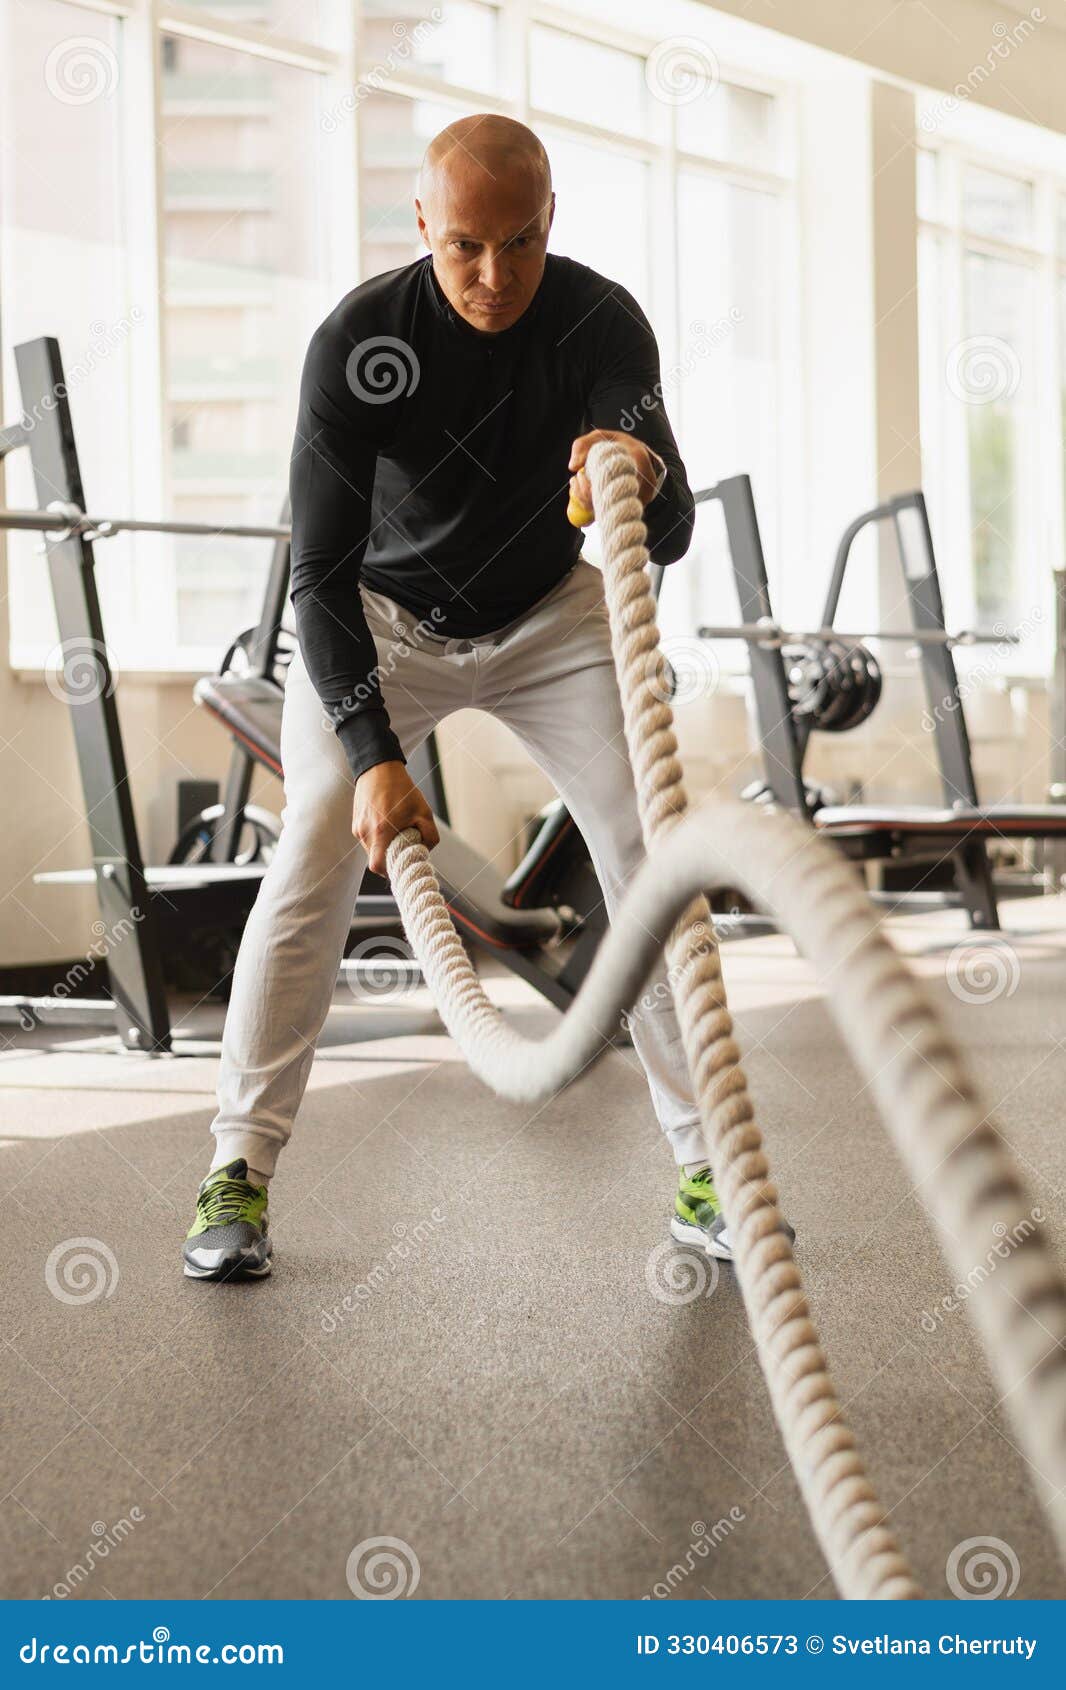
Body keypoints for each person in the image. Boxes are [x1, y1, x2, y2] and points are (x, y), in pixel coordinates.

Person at [183, 113, 732, 1280]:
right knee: (311, 860)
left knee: (650, 853)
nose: (496, 277)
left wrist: (640, 475)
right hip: (384, 620)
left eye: (521, 243)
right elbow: (319, 577)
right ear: (422, 224)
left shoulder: (598, 319)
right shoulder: (358, 342)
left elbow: (672, 528)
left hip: (548, 614)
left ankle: (705, 1167)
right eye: (467, 246)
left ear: (550, 223)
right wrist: (375, 754)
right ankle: (237, 1168)